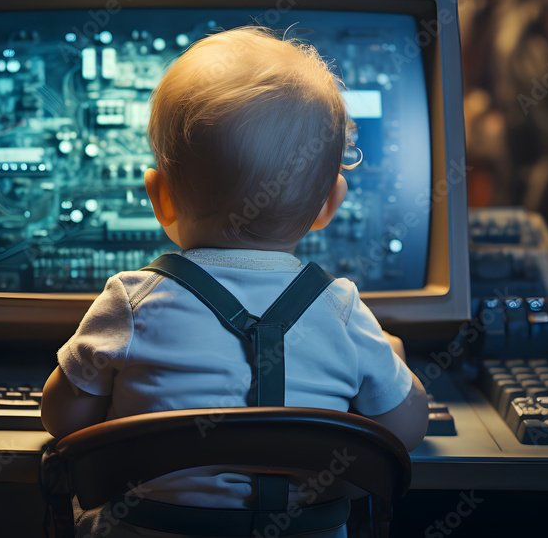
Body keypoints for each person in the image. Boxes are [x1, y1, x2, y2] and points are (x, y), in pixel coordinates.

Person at [41, 26, 429, 537]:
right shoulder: (342, 311)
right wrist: (387, 360)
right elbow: (406, 430)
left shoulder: (132, 302)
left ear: (159, 197)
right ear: (329, 205)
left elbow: (62, 418)